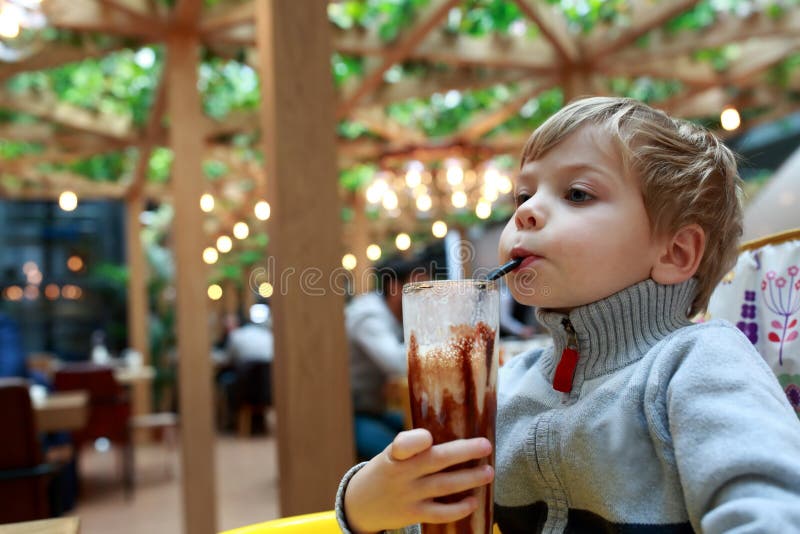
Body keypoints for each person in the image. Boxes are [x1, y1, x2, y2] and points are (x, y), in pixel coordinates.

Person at [334, 96, 800, 533]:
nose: (528, 212)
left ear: (676, 252)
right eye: (522, 196)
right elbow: (443, 515)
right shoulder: (510, 385)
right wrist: (365, 503)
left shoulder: (700, 363)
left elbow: (772, 513)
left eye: (576, 194)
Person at [346, 255, 428, 459]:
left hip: (376, 408)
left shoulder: (394, 315)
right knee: (406, 456)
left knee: (429, 433)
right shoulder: (368, 316)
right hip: (349, 415)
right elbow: (399, 364)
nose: (426, 297)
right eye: (418, 288)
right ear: (394, 287)